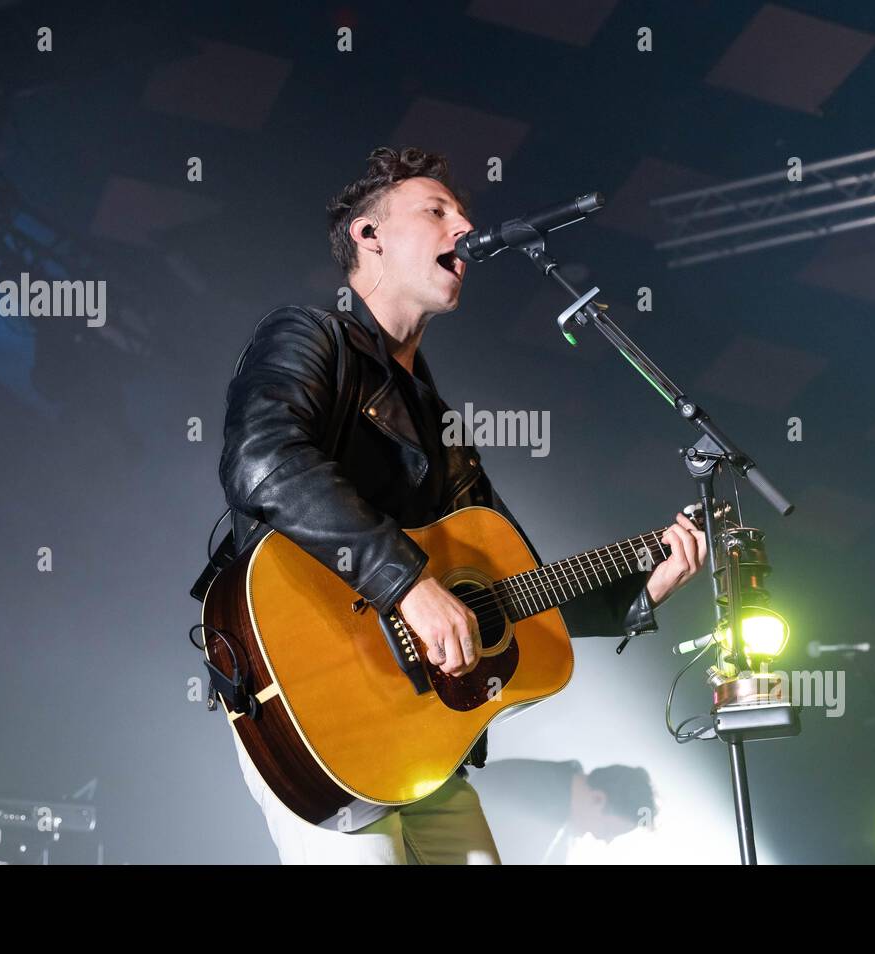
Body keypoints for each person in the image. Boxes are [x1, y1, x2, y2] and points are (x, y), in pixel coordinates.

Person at [218, 146, 707, 863]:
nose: (465, 226)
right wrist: (406, 583)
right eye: (436, 210)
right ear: (369, 235)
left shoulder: (436, 419)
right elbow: (262, 460)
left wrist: (638, 589)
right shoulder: (309, 334)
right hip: (319, 712)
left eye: (463, 213)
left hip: (430, 738)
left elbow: (512, 594)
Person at [466, 759, 656, 864]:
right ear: (597, 799)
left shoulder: (556, 791)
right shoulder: (539, 805)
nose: (604, 839)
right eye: (608, 831)